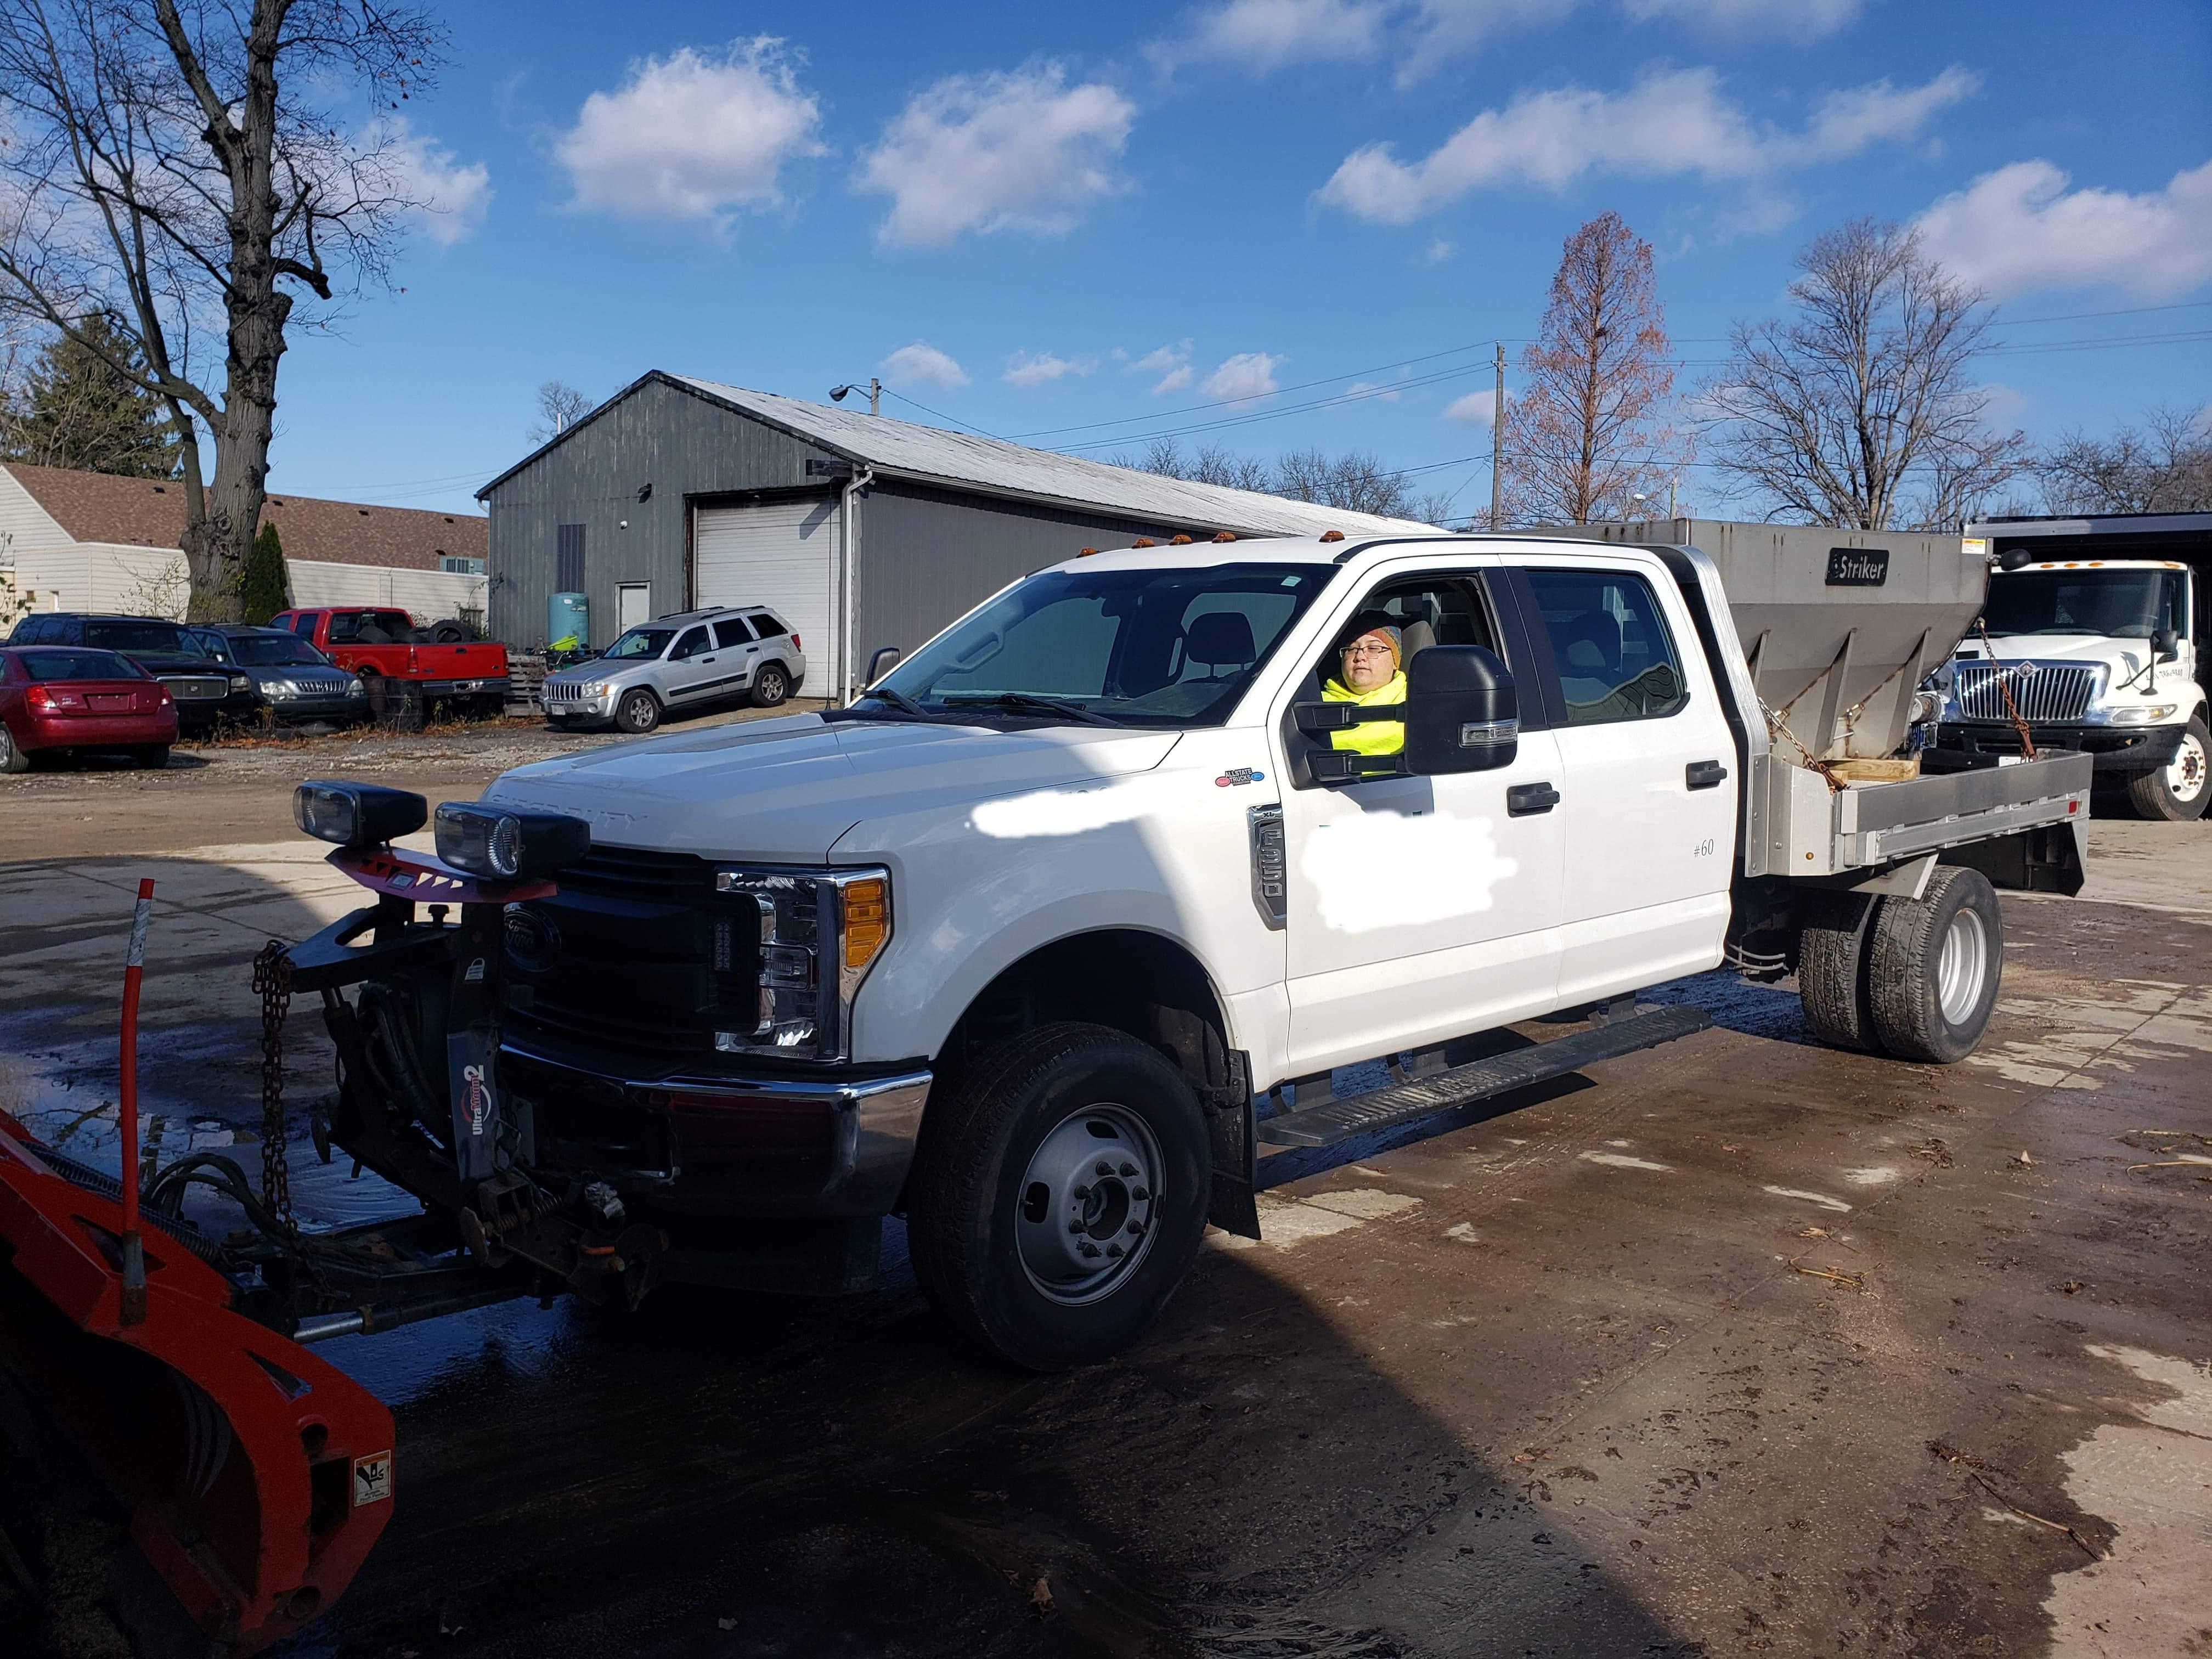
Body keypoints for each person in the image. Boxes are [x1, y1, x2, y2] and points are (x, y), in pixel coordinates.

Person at [1321, 611, 1405, 755]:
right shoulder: (1313, 702)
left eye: (1373, 649)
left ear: (1395, 661)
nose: (1360, 656)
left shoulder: (1414, 702)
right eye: (1351, 649)